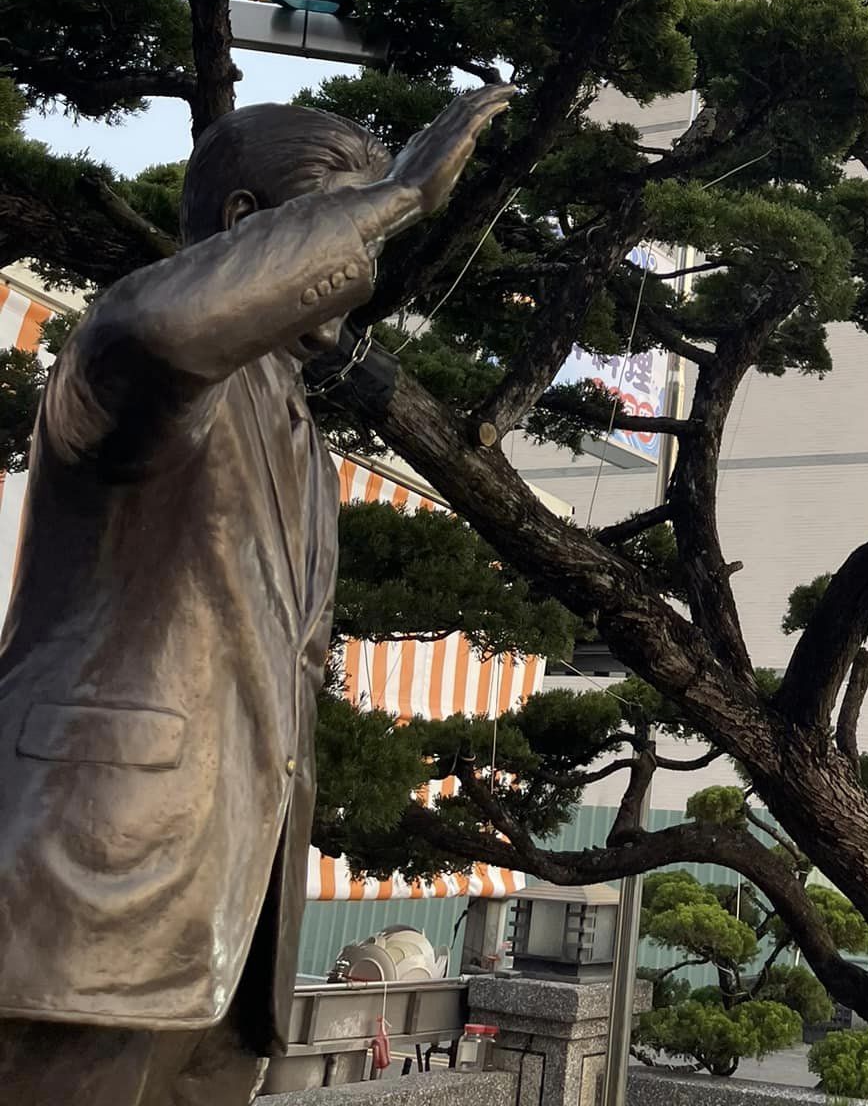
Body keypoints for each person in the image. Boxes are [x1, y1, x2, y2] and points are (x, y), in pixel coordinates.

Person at [0, 85, 512, 1105]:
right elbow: (163, 322)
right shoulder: (136, 368)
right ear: (245, 225)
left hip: (231, 924)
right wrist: (401, 193)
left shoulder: (300, 437)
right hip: (94, 889)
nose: (357, 269)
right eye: (336, 210)